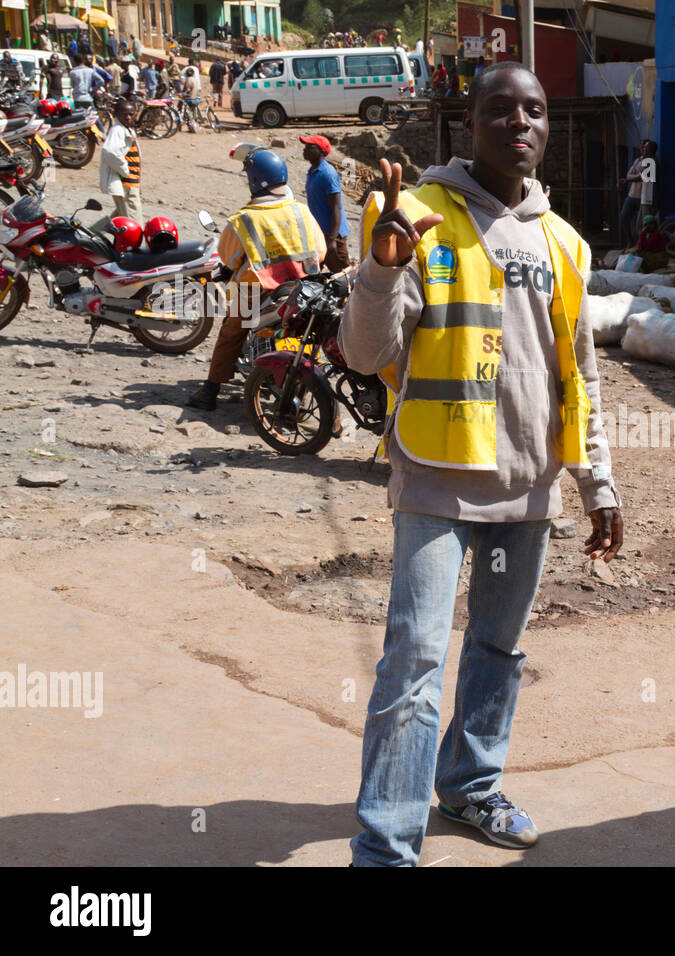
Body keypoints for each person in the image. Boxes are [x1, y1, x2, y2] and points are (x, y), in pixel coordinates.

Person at [340, 61, 622, 866]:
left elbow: (582, 376)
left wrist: (597, 481)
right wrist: (382, 267)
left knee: (499, 652)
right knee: (416, 661)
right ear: (471, 123)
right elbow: (364, 356)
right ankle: (388, 844)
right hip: (436, 477)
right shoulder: (415, 214)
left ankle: (470, 787)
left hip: (529, 486)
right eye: (500, 110)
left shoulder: (566, 243)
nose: (520, 124)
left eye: (533, 111)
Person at [187, 147, 326, 412]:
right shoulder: (301, 211)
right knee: (311, 335)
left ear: (254, 181)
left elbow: (228, 258)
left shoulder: (243, 221)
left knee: (230, 332)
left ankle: (210, 391)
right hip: (303, 290)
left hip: (258, 292)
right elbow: (321, 251)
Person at [300, 135, 350, 273]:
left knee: (342, 274)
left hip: (333, 234)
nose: (305, 150)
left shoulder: (327, 173)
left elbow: (336, 207)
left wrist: (333, 239)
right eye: (305, 147)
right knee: (314, 272)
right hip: (320, 233)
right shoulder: (312, 172)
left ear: (321, 151)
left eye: (310, 147)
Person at [100, 96, 143, 225]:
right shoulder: (118, 130)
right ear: (116, 114)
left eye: (131, 114)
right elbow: (110, 151)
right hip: (126, 185)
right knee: (134, 224)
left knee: (118, 218)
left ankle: (93, 233)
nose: (128, 117)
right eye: (124, 114)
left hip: (131, 184)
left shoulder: (127, 129)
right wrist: (125, 170)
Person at [618, 139, 650, 247]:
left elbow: (642, 177)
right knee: (623, 216)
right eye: (641, 147)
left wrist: (632, 177)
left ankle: (639, 244)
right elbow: (629, 175)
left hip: (643, 197)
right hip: (632, 195)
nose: (642, 149)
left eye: (645, 147)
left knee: (640, 223)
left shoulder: (650, 162)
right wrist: (631, 178)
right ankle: (630, 241)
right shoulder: (638, 160)